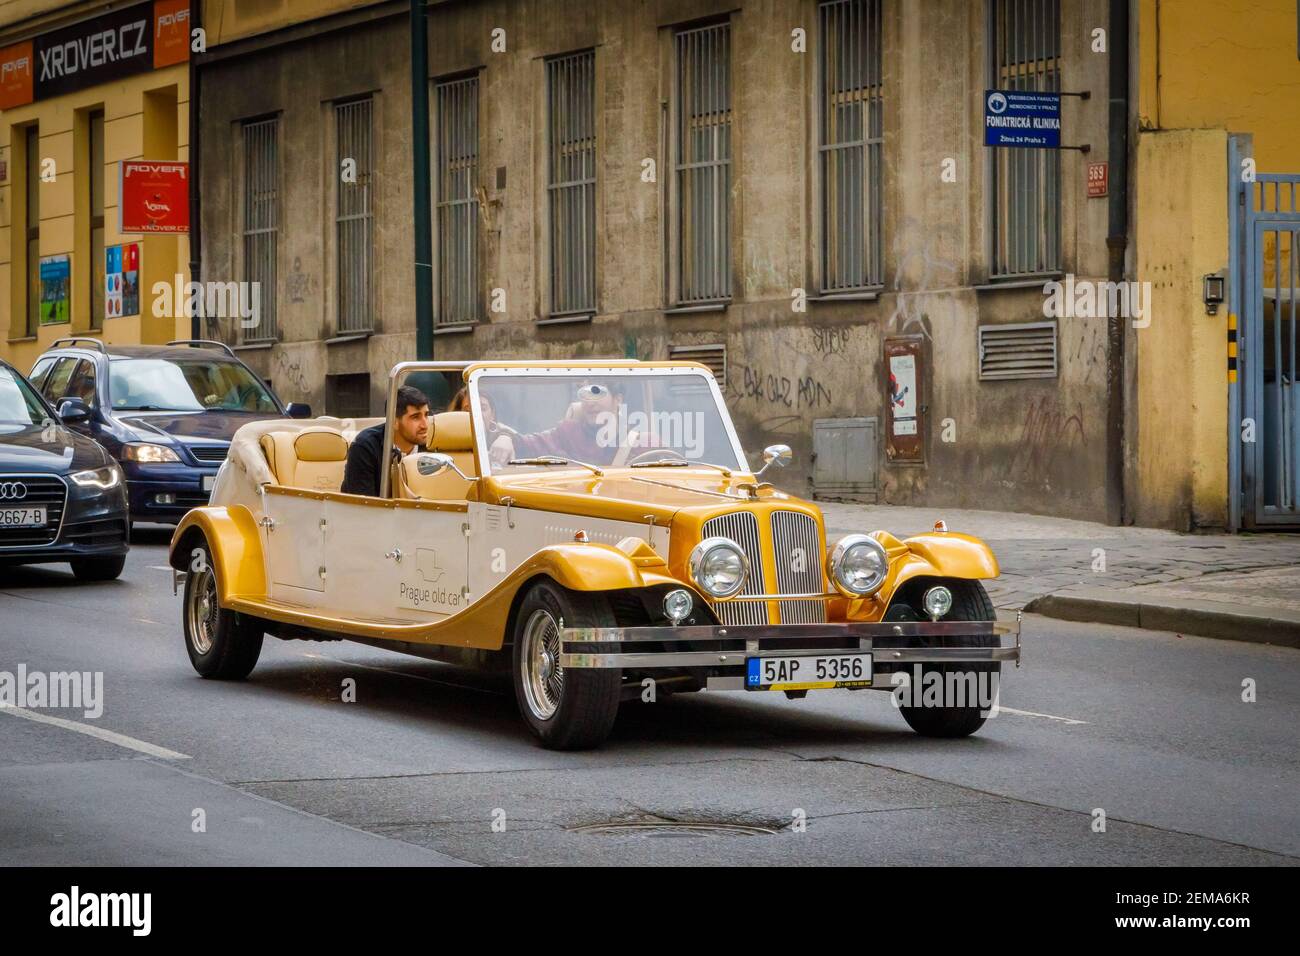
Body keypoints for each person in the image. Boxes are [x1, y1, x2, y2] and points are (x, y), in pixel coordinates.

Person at [489, 380, 629, 468]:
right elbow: (527, 443)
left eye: (598, 394)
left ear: (618, 400)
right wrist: (505, 438)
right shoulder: (566, 434)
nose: (590, 403)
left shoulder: (637, 440)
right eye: (586, 396)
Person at [340, 385, 431, 497]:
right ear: (394, 422)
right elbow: (363, 507)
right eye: (415, 417)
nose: (425, 425)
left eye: (426, 415)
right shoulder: (365, 447)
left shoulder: (434, 445)